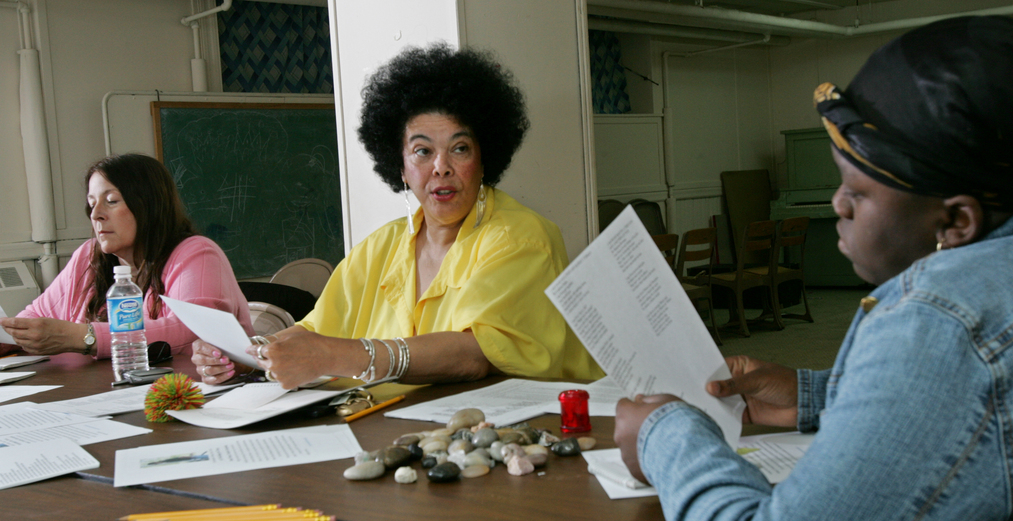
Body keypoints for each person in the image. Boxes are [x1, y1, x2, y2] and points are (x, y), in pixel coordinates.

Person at [614, 16, 1013, 521]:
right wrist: (817, 396)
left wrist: (667, 434)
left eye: (857, 193)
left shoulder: (942, 317)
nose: (836, 205)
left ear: (956, 221)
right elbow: (989, 415)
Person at [193, 44, 600, 389]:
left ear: (484, 158)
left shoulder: (520, 237)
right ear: (400, 166)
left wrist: (344, 356)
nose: (441, 167)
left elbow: (476, 354)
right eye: (422, 151)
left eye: (459, 148)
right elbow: (317, 329)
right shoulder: (379, 247)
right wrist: (251, 353)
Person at [0, 153, 254, 359]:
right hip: (101, 395)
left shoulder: (196, 252)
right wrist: (12, 336)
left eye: (111, 201)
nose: (96, 214)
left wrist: (82, 337)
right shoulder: (89, 256)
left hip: (187, 397)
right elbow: (35, 316)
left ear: (148, 205)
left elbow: (190, 331)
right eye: (91, 203)